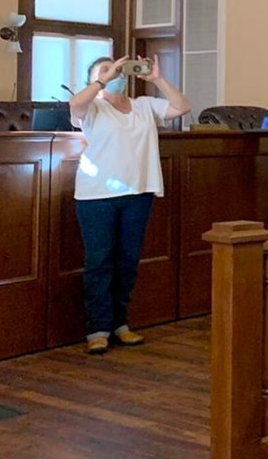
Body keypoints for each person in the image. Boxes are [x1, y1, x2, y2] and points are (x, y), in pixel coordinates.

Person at [69, 55, 191, 355]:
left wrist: (158, 80)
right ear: (93, 79)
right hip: (96, 196)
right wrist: (101, 81)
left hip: (139, 192)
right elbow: (74, 105)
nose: (116, 75)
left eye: (119, 70)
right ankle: (97, 328)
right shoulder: (93, 107)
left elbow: (182, 107)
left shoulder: (144, 105)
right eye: (108, 70)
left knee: (127, 261)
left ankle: (119, 324)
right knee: (99, 261)